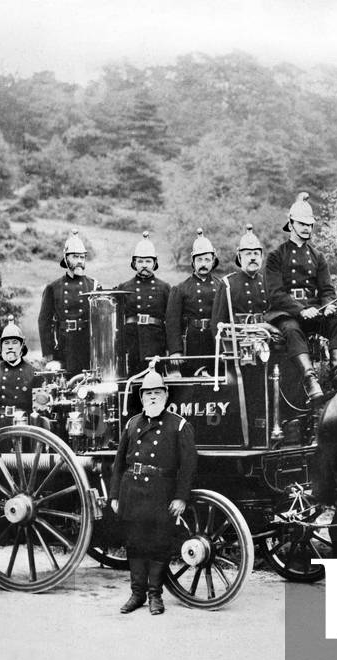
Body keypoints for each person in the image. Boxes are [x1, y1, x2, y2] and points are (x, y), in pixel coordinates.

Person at [107, 371, 195, 615]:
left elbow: (188, 466)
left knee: (158, 545)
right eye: (148, 394)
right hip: (132, 491)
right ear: (142, 397)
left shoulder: (178, 425)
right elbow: (118, 463)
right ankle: (137, 595)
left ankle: (155, 596)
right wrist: (114, 495)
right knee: (134, 544)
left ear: (165, 395)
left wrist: (180, 496)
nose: (153, 398)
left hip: (160, 492)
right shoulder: (132, 423)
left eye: (157, 393)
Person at [266, 192, 337, 402]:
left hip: (313, 311)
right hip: (286, 312)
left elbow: (327, 290)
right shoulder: (276, 256)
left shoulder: (318, 256)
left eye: (310, 224)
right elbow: (275, 293)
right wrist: (300, 310)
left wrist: (328, 306)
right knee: (291, 329)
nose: (307, 228)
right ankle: (309, 378)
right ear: (290, 223)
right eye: (302, 224)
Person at [38, 230, 99, 376]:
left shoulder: (94, 285)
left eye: (82, 257)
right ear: (65, 259)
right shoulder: (53, 287)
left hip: (88, 347)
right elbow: (44, 322)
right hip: (64, 347)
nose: (79, 261)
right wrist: (49, 355)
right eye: (74, 257)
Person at [166, 228, 223, 375]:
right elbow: (172, 322)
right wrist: (175, 350)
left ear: (213, 261)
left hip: (215, 341)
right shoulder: (180, 289)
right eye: (199, 260)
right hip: (192, 342)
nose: (203, 263)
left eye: (207, 260)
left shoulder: (221, 286)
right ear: (193, 261)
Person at [116, 232, 171, 376]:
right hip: (132, 342)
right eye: (140, 262)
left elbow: (170, 319)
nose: (144, 265)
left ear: (154, 263)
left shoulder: (164, 287)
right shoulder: (124, 287)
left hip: (156, 342)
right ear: (134, 263)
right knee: (132, 381)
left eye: (148, 261)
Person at [210, 224, 271, 330]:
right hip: (237, 340)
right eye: (248, 254)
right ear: (239, 257)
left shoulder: (268, 283)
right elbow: (217, 324)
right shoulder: (228, 284)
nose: (253, 258)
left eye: (256, 254)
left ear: (262, 257)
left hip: (265, 339)